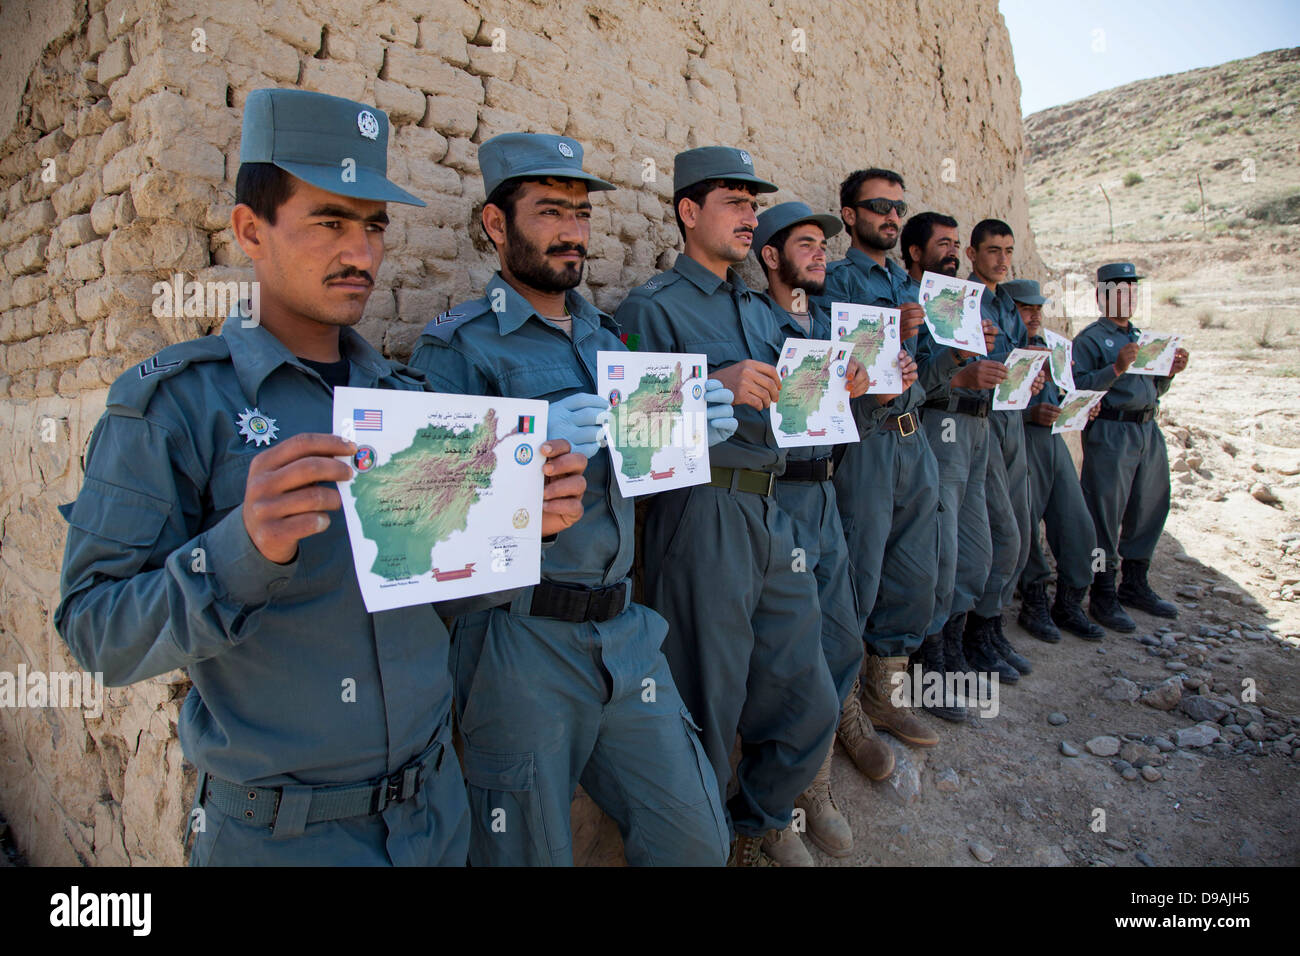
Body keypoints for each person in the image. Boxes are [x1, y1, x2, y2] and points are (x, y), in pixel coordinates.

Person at [53, 90, 589, 866]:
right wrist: (239, 550)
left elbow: (438, 598)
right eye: (330, 221)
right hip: (281, 837)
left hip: (432, 814)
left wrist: (515, 528)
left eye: (374, 227)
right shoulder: (176, 405)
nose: (361, 254)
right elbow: (95, 636)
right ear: (250, 230)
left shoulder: (413, 406)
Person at [407, 133, 733, 866]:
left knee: (697, 841)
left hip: (626, 630)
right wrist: (517, 452)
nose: (574, 233)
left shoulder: (611, 334)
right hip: (520, 643)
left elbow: (641, 471)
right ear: (498, 225)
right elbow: (426, 518)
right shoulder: (461, 347)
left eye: (582, 215)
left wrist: (691, 431)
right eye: (551, 212)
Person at [614, 148, 840, 867]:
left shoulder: (756, 304)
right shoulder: (653, 306)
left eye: (753, 204)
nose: (750, 216)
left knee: (812, 698)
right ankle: (706, 844)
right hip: (702, 513)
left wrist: (844, 386)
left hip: (775, 510)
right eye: (734, 203)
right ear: (688, 212)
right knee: (709, 704)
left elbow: (797, 408)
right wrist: (715, 380)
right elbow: (631, 432)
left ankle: (757, 821)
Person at [751, 201, 909, 862]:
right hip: (775, 496)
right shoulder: (752, 321)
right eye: (807, 245)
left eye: (824, 246)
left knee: (842, 634)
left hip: (827, 491)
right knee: (790, 658)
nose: (820, 256)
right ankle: (786, 803)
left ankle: (823, 765)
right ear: (770, 256)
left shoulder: (836, 325)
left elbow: (851, 422)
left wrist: (876, 394)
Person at [818, 170, 957, 747]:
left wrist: (951, 350)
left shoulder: (907, 280)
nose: (892, 217)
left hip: (912, 436)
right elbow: (828, 372)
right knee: (860, 574)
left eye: (899, 208)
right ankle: (844, 712)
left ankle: (885, 694)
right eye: (879, 206)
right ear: (849, 215)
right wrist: (885, 336)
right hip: (866, 443)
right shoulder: (833, 281)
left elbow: (922, 375)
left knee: (914, 572)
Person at [904, 212, 1003, 720]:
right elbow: (907, 376)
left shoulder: (961, 302)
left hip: (973, 429)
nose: (952, 251)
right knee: (938, 553)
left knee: (973, 547)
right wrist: (960, 376)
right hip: (937, 427)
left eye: (955, 244)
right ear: (916, 252)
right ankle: (928, 665)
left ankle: (956, 648)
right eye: (941, 243)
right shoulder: (911, 303)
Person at [1073, 262, 1189, 629]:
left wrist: (1169, 374)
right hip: (1111, 431)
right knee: (1103, 514)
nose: (1127, 297)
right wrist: (1116, 369)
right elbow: (1077, 390)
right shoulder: (1090, 339)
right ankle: (1102, 592)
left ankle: (1135, 583)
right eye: (1118, 290)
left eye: (1132, 290)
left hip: (1147, 429)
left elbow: (1151, 389)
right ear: (1101, 296)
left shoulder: (1141, 337)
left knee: (1150, 504)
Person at [959, 219, 1044, 684]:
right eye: (993, 250)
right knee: (998, 537)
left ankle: (989, 629)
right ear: (973, 254)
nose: (1002, 259)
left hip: (1008, 421)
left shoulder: (1006, 305)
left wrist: (1028, 378)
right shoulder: (961, 302)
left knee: (1017, 533)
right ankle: (974, 633)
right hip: (975, 422)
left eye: (1008, 250)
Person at [1002, 279, 1105, 642]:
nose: (1033, 315)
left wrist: (1080, 409)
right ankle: (1034, 603)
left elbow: (1067, 389)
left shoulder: (1053, 346)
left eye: (1038, 309)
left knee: (1077, 524)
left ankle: (1070, 602)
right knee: (1026, 526)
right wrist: (1031, 415)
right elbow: (994, 406)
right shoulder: (1004, 349)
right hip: (1020, 443)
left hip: (1055, 443)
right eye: (1024, 308)